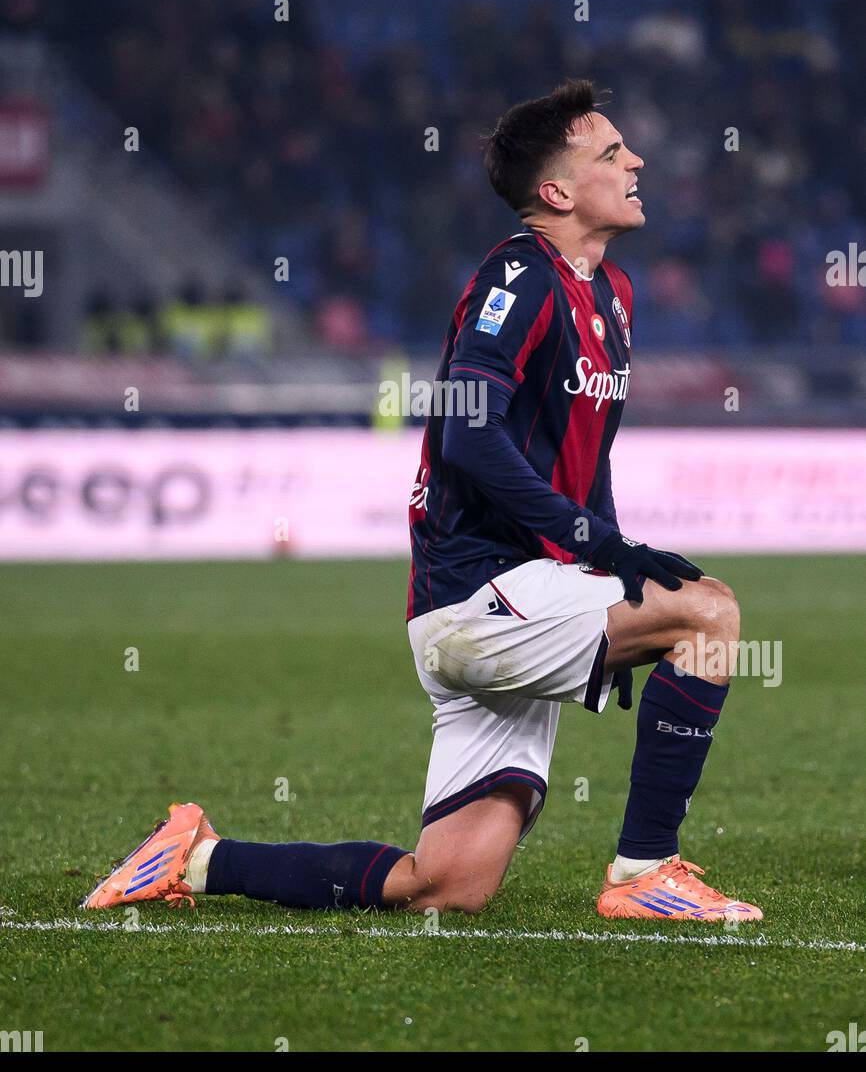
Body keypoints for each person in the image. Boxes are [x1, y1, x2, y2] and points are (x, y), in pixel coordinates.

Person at [83, 81, 761, 923]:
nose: (637, 161)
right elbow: (470, 437)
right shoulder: (519, 275)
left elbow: (588, 460)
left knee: (445, 887)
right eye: (612, 153)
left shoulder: (610, 296)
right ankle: (645, 870)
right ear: (555, 191)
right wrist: (605, 551)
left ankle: (196, 856)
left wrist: (609, 564)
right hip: (485, 597)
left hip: (504, 605)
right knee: (712, 614)